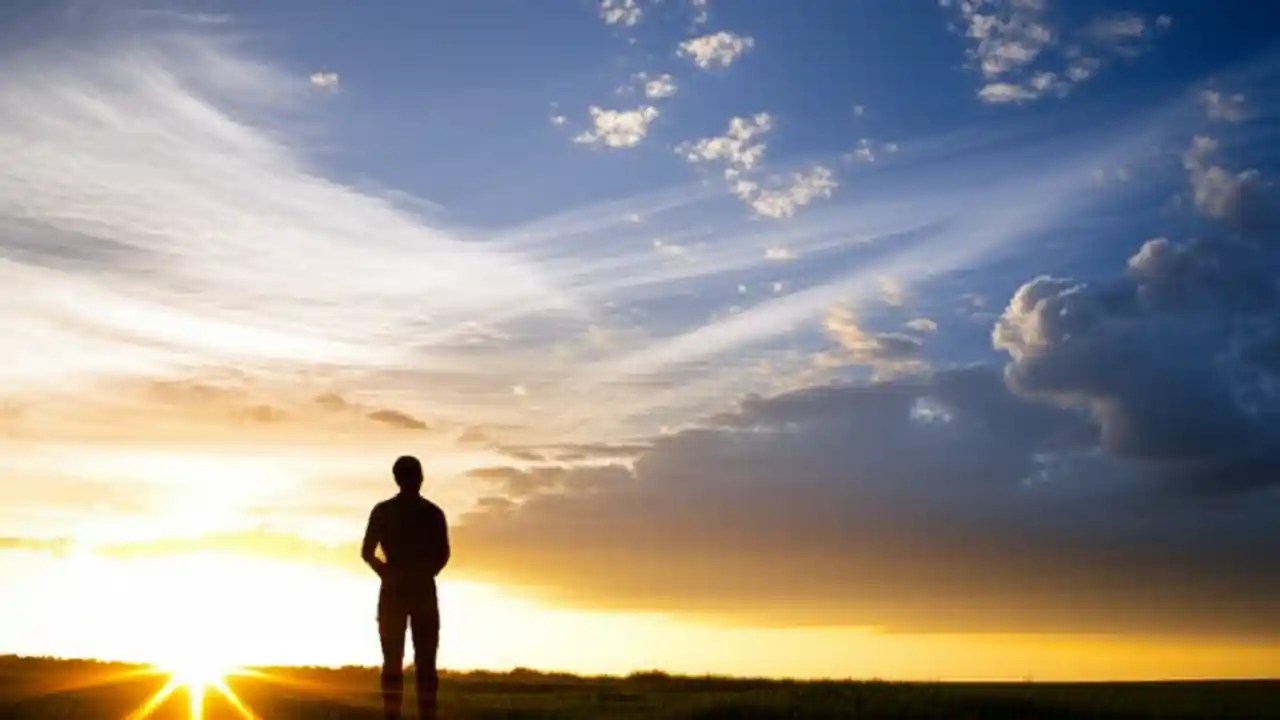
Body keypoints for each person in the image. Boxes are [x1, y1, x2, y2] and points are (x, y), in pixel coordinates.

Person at [362, 455, 450, 720]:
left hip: (396, 590)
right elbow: (443, 554)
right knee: (423, 664)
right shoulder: (432, 512)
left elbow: (367, 552)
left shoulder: (383, 511)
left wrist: (388, 574)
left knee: (394, 662)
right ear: (419, 478)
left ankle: (394, 715)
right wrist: (422, 574)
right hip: (419, 590)